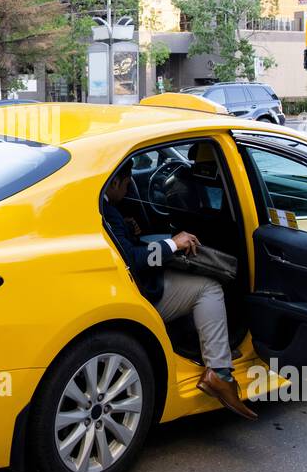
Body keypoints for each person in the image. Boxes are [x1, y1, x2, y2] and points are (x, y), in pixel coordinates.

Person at [101, 161, 257, 420]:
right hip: (139, 290)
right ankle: (219, 373)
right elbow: (131, 259)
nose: (128, 189)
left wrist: (127, 228)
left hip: (122, 285)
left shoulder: (106, 209)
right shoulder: (107, 209)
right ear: (116, 182)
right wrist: (173, 243)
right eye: (127, 184)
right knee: (209, 287)